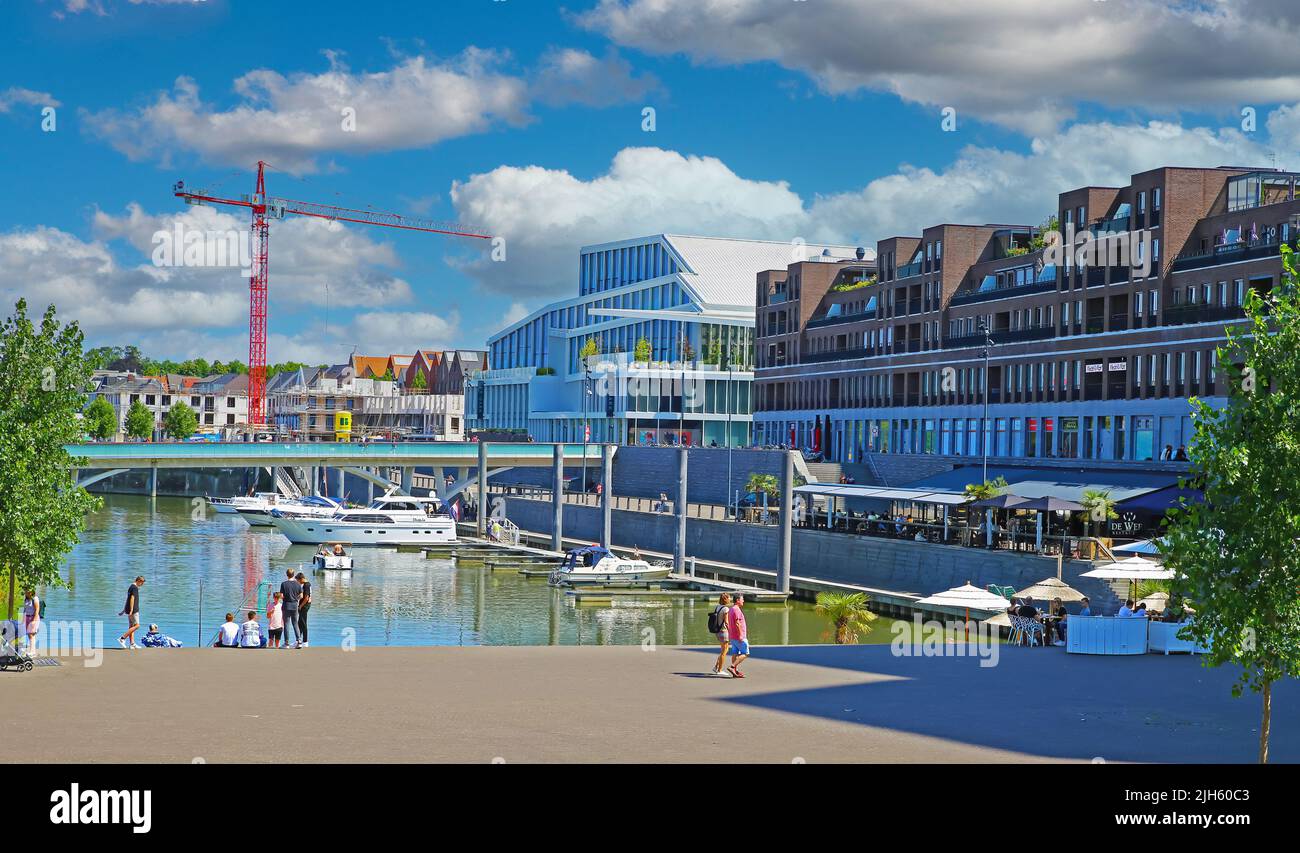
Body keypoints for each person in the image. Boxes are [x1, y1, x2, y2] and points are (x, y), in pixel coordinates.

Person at [117, 576, 145, 649]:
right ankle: (122, 638)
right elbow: (132, 598)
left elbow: (128, 599)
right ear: (139, 581)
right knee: (137, 625)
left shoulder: (131, 587)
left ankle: (132, 644)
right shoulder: (135, 588)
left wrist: (124, 610)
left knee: (131, 627)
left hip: (128, 609)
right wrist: (132, 609)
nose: (142, 584)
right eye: (142, 583)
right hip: (133, 610)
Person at [725, 594, 750, 677]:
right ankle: (732, 667)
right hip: (738, 636)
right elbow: (737, 623)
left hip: (733, 636)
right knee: (745, 653)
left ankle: (735, 671)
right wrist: (740, 636)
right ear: (737, 600)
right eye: (742, 599)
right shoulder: (737, 610)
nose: (743, 601)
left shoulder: (731, 609)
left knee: (735, 654)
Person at [710, 593, 732, 675]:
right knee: (724, 651)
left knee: (723, 650)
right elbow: (726, 622)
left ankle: (716, 667)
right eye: (729, 598)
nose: (730, 599)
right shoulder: (726, 609)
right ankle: (719, 670)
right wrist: (731, 631)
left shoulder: (718, 607)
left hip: (718, 631)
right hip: (724, 631)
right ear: (725, 599)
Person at [279, 568, 302, 649]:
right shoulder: (298, 584)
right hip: (295, 605)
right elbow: (301, 595)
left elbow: (281, 596)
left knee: (286, 624)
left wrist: (286, 598)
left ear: (287, 574)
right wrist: (296, 599)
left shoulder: (283, 584)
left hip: (286, 605)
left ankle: (286, 643)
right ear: (293, 574)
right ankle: (299, 641)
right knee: (295, 623)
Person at [295, 572, 312, 648]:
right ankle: (298, 640)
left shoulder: (306, 585)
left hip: (304, 606)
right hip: (304, 605)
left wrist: (300, 606)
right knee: (300, 623)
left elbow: (306, 598)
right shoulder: (306, 584)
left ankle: (305, 641)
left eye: (298, 580)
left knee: (303, 623)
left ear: (301, 579)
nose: (298, 582)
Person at [22, 589, 40, 655]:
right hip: (27, 617)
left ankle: (32, 652)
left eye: (27, 591)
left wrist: (34, 621)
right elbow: (25, 609)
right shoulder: (26, 599)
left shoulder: (35, 599)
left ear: (31, 592)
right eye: (26, 592)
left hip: (33, 617)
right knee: (29, 635)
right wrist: (23, 619)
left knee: (31, 634)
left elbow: (37, 609)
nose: (26, 592)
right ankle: (32, 651)